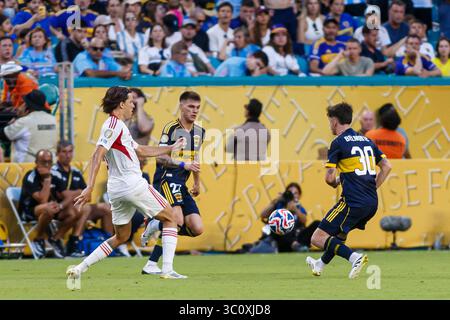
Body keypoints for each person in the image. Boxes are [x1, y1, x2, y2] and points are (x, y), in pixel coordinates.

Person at [66, 86, 187, 282]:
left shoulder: (119, 127)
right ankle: (166, 269)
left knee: (121, 237)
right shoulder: (113, 126)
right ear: (121, 104)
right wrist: (89, 186)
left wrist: (169, 148)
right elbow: (98, 154)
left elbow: (140, 150)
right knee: (172, 217)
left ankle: (80, 268)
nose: (133, 106)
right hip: (132, 184)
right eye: (131, 102)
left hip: (116, 190)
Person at [306, 102, 392, 278]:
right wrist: (371, 187)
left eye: (330, 121)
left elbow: (329, 178)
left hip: (352, 201)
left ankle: (355, 258)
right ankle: (320, 264)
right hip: (371, 202)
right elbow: (386, 166)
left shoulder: (338, 143)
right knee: (339, 235)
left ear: (335, 121)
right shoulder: (367, 141)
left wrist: (334, 182)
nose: (330, 125)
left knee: (317, 238)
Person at [140, 91, 204, 275]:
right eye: (191, 107)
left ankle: (152, 260)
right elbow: (161, 157)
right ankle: (168, 268)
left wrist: (197, 182)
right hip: (166, 178)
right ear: (181, 106)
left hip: (182, 183)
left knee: (196, 227)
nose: (194, 111)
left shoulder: (200, 132)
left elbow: (196, 159)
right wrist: (183, 164)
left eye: (197, 108)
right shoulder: (171, 128)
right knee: (175, 220)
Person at [51, 140, 113, 257]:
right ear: (57, 154)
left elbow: (87, 196)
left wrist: (76, 194)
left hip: (78, 207)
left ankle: (108, 244)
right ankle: (74, 242)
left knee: (105, 208)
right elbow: (64, 195)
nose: (67, 155)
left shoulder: (75, 172)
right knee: (84, 208)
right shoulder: (54, 172)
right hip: (62, 210)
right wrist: (79, 192)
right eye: (64, 152)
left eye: (70, 152)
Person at [18, 149, 79, 258]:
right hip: (29, 211)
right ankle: (39, 239)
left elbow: (67, 196)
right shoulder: (30, 176)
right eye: (43, 162)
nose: (46, 165)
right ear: (36, 162)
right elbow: (43, 200)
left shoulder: (56, 175)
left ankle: (55, 239)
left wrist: (61, 205)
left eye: (49, 162)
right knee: (48, 208)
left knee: (74, 211)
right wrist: (47, 179)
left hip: (51, 208)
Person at [260, 183, 320, 252]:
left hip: (298, 236)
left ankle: (300, 246)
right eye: (291, 192)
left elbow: (304, 221)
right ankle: (295, 245)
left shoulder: (299, 207)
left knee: (316, 223)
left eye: (295, 193)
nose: (293, 195)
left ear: (299, 196)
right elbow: (263, 215)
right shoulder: (279, 204)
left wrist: (295, 209)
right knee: (278, 225)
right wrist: (276, 201)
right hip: (284, 240)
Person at [0, 89, 57, 163]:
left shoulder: (24, 122)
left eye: (24, 103)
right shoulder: (53, 119)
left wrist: (17, 118)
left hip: (26, 167)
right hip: (50, 165)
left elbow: (4, 134)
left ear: (27, 106)